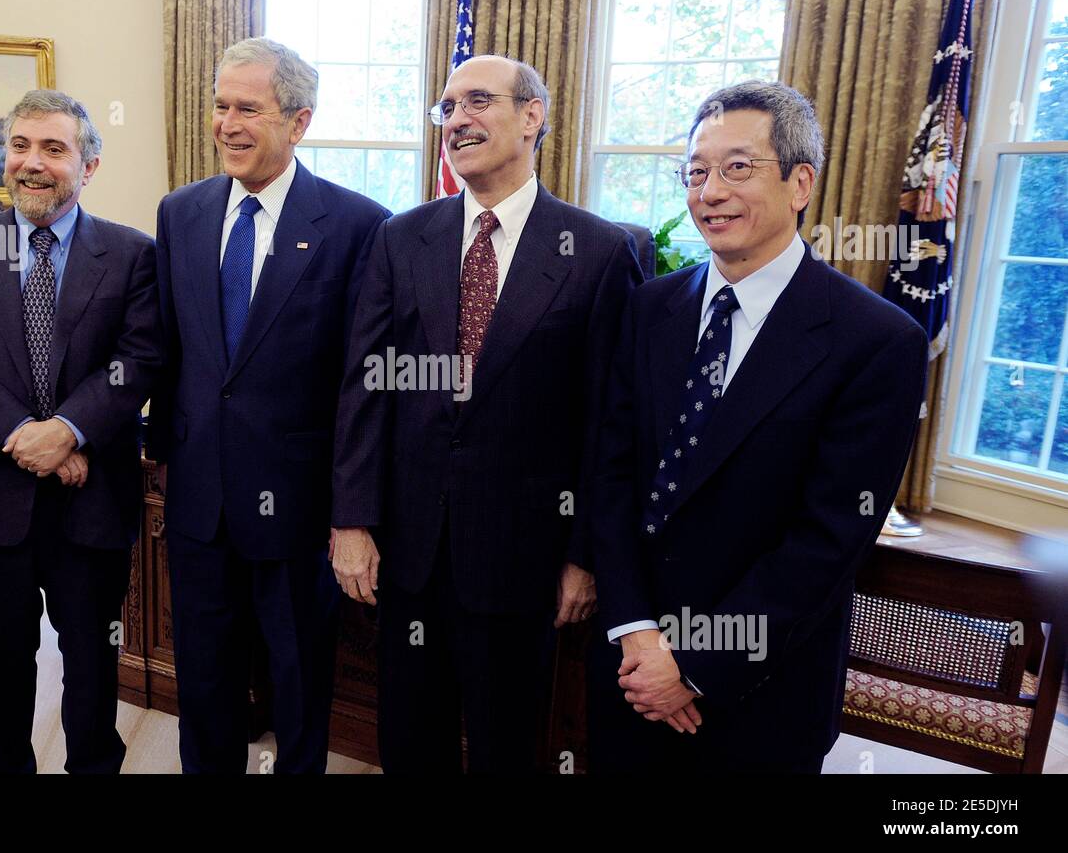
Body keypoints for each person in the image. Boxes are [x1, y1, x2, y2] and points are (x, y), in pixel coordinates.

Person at [588, 80, 929, 774]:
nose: (710, 191)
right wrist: (638, 634)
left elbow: (828, 538)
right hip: (629, 668)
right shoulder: (648, 309)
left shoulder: (876, 340)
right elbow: (610, 474)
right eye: (696, 171)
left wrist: (692, 664)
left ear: (801, 182)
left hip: (761, 694)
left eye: (737, 167)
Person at [331, 55, 644, 773]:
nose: (457, 120)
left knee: (506, 747)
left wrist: (584, 555)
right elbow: (363, 388)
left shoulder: (598, 252)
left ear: (533, 115)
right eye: (447, 108)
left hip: (524, 560)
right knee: (410, 740)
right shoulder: (400, 237)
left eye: (477, 100)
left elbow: (610, 424)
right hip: (406, 554)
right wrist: (350, 518)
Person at [147, 37, 389, 774]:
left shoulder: (358, 224)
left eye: (247, 107)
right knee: (206, 680)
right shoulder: (179, 212)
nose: (227, 123)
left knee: (299, 683)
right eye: (220, 105)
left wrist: (351, 514)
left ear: (299, 120)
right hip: (198, 502)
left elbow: (363, 384)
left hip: (296, 505)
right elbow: (167, 347)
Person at [0, 89, 162, 773]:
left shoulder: (133, 254)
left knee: (92, 670)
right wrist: (33, 437)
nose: (32, 163)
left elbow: (136, 360)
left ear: (89, 165)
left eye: (53, 148)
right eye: (20, 146)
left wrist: (72, 431)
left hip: (92, 504)